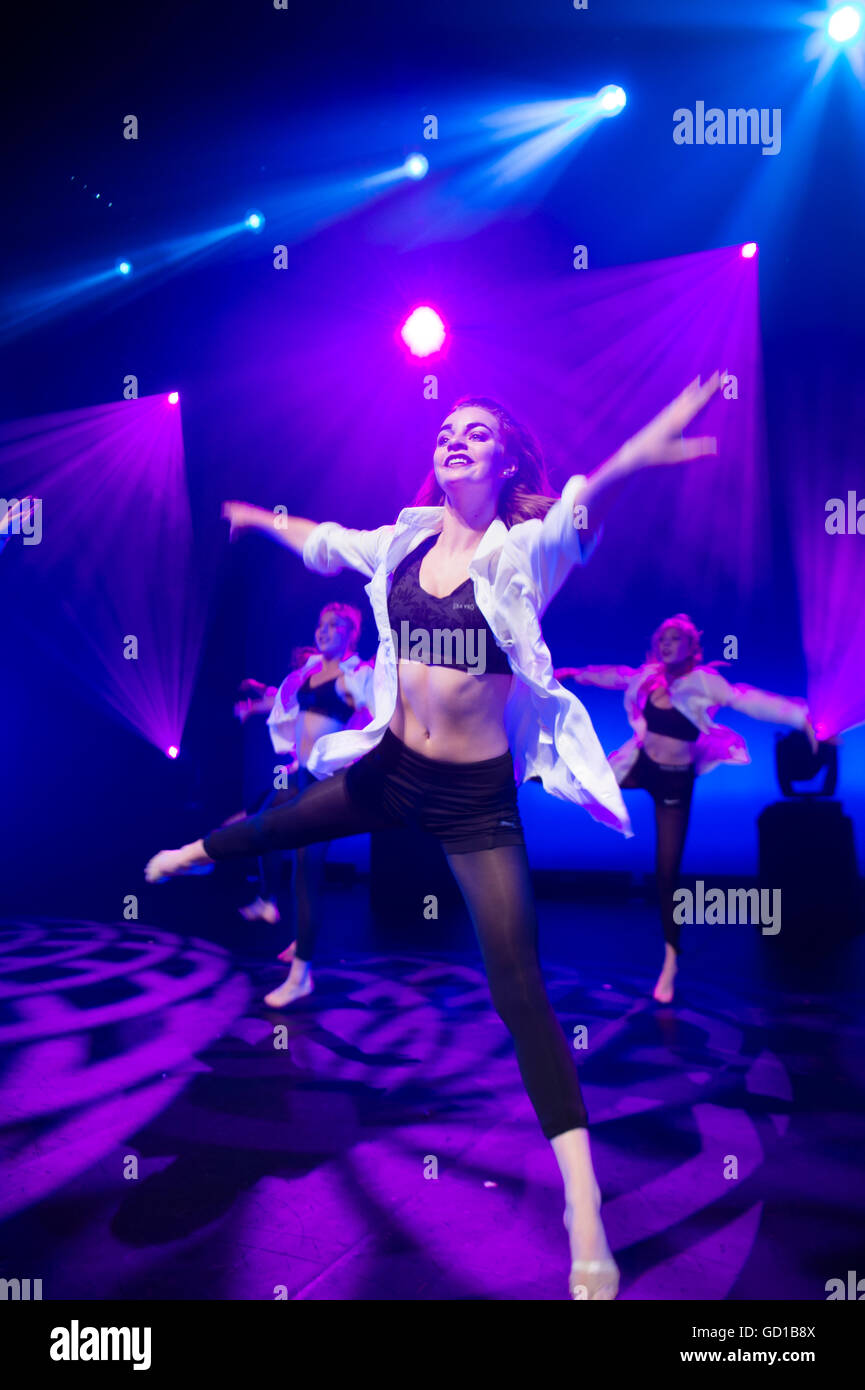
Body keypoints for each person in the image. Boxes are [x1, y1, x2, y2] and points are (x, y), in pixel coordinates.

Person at [145, 375, 721, 1299]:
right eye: (446, 429)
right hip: (389, 769)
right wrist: (258, 515)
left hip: (472, 797)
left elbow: (584, 499)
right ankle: (188, 855)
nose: (454, 438)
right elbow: (326, 544)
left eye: (476, 431)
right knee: (282, 821)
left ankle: (582, 1209)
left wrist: (636, 454)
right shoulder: (406, 540)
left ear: (504, 460)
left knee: (517, 984)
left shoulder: (521, 550)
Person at [557, 613, 816, 1004]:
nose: (666, 643)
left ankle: (670, 960)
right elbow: (615, 675)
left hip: (675, 782)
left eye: (675, 638)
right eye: (662, 637)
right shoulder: (648, 676)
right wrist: (575, 673)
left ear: (691, 645)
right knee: (579, 782)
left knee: (666, 874)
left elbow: (749, 700)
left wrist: (799, 717)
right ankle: (524, 768)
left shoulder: (705, 682)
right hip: (640, 765)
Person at [234, 605, 375, 1005]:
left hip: (327, 780)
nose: (325, 631)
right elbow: (292, 709)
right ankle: (267, 900)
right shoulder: (311, 671)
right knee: (263, 824)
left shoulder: (357, 677)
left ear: (351, 635)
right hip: (299, 772)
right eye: (321, 625)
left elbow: (386, 713)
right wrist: (256, 702)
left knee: (306, 869)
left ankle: (301, 973)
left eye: (336, 626)